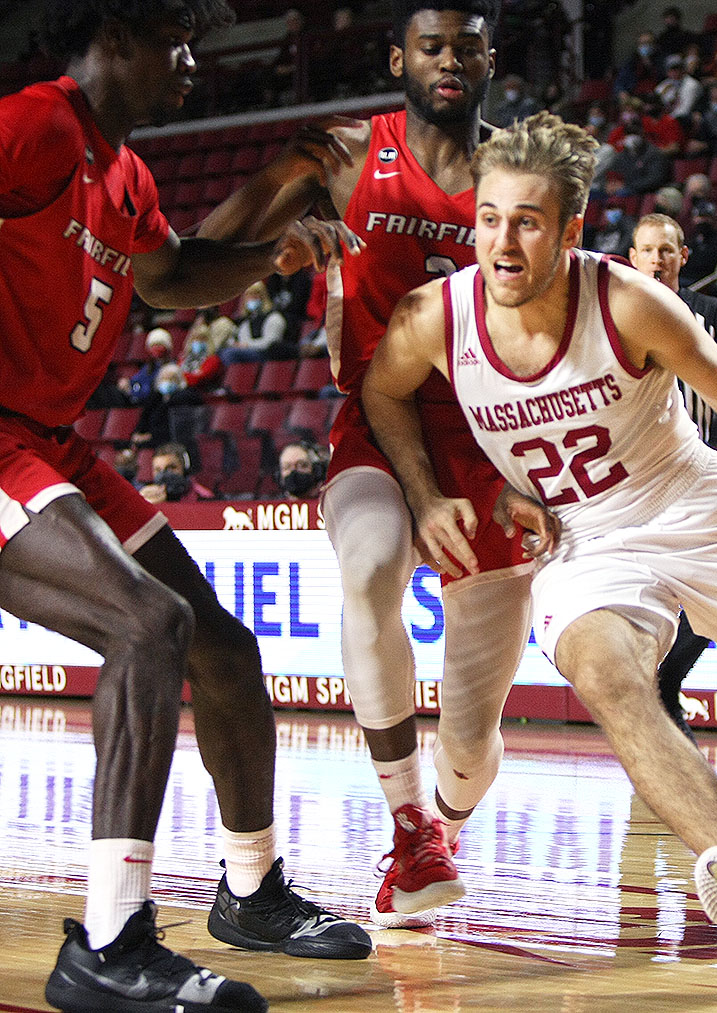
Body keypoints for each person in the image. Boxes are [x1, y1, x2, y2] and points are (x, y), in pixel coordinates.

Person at [361, 110, 717, 975]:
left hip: (695, 511)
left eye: (527, 222)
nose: (502, 243)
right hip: (585, 538)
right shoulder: (433, 317)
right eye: (488, 218)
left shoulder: (627, 301)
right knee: (606, 674)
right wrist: (427, 488)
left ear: (570, 231)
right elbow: (382, 392)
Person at [0, 3, 373, 1011]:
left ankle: (251, 890)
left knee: (222, 645)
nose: (193, 62)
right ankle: (109, 942)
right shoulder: (37, 123)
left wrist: (273, 249)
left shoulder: (124, 172)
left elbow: (168, 278)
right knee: (146, 624)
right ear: (115, 37)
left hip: (50, 435)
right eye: (176, 41)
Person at [199, 0, 553, 930]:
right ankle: (408, 826)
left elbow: (553, 322)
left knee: (470, 744)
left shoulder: (520, 172)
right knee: (368, 564)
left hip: (494, 440)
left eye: (467, 46)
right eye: (432, 46)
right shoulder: (346, 151)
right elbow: (206, 248)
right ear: (399, 58)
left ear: (491, 58)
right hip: (377, 422)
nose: (449, 60)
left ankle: (442, 825)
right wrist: (278, 251)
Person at [628, 211, 717, 734]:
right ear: (632, 258)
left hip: (702, 472)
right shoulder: (616, 314)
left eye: (666, 249)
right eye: (648, 250)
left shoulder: (711, 313)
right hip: (638, 480)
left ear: (683, 257)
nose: (657, 258)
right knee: (644, 592)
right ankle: (646, 695)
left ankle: (666, 682)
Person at [219, 280, 288, 363]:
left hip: (266, 354)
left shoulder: (274, 317)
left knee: (229, 354)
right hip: (250, 352)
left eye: (255, 295)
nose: (251, 298)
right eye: (248, 295)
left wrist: (247, 345)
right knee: (220, 352)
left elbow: (271, 343)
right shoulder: (247, 320)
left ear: (263, 297)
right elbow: (242, 339)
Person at [139, 441, 215, 503]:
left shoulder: (203, 497)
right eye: (158, 470)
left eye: (171, 468)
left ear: (185, 469)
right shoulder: (146, 496)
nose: (163, 474)